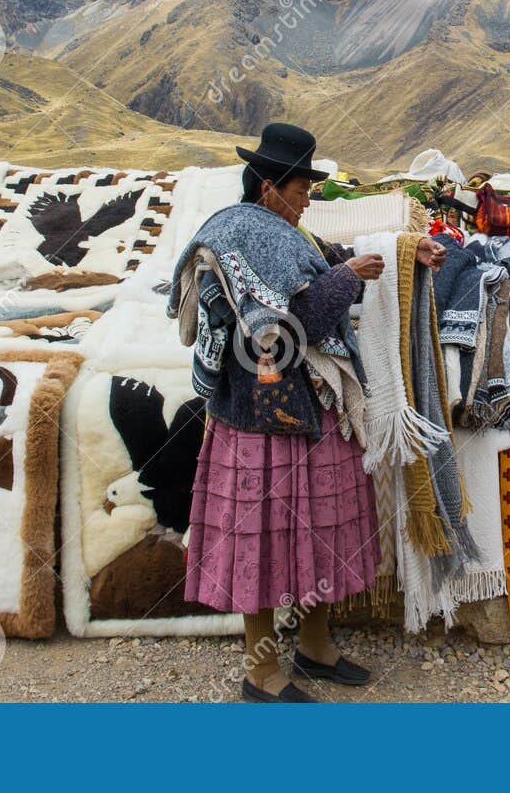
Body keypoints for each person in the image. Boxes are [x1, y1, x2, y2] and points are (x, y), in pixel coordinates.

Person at [168, 122, 444, 702]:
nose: (306, 200)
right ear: (269, 187)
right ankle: (262, 673)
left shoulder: (278, 230)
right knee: (262, 540)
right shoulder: (244, 234)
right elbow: (285, 331)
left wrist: (400, 250)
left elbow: (323, 262)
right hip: (264, 417)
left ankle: (314, 647)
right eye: (300, 190)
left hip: (308, 411)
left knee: (320, 533)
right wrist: (346, 279)